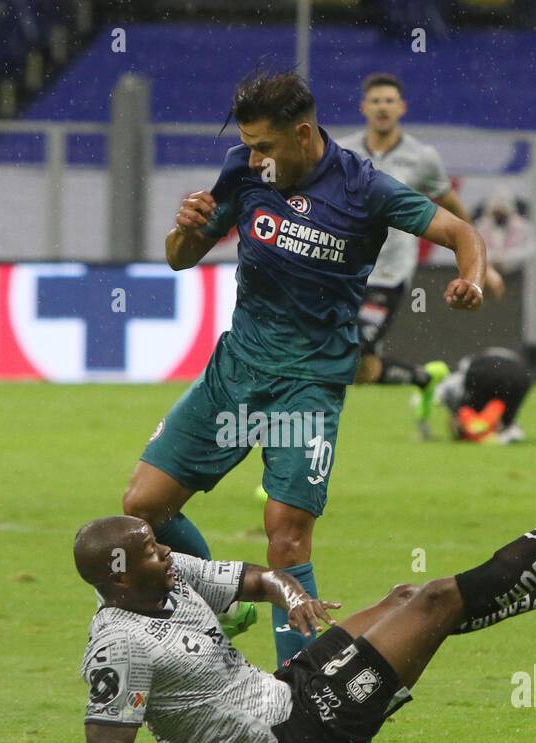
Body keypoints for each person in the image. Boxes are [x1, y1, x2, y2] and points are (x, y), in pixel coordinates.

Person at [123, 68, 502, 667]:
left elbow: (462, 231)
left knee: (286, 532)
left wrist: (471, 280)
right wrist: (186, 227)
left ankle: (297, 694)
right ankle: (225, 600)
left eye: (264, 146)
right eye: (248, 145)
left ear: (303, 135)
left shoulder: (365, 188)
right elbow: (181, 258)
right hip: (236, 369)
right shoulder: (244, 170)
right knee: (144, 506)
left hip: (308, 383)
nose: (254, 157)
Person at [78, 411, 536, 743]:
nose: (167, 553)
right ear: (121, 578)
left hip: (287, 690)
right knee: (434, 602)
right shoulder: (118, 646)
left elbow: (255, 577)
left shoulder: (167, 577)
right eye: (153, 551)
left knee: (408, 597)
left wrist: (288, 592)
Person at [337, 73, 499, 438]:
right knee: (362, 370)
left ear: (402, 108)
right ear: (364, 107)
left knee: (349, 349)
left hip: (389, 273)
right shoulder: (342, 153)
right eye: (375, 100)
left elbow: (451, 206)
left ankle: (300, 450)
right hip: (343, 270)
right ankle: (426, 379)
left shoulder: (422, 158)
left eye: (389, 100)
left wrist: (477, 262)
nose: (382, 107)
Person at [436, 347, 532, 444]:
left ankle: (474, 430)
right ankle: (508, 429)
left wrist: (458, 413)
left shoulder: (466, 372)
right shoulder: (497, 359)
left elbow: (463, 389)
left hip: (485, 371)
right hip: (522, 375)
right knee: (506, 416)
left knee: (472, 410)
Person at [474, 189, 536, 277]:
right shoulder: (482, 226)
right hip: (488, 273)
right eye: (497, 212)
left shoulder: (522, 227)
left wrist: (506, 258)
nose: (500, 215)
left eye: (502, 211)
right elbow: (476, 249)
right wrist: (493, 257)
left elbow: (531, 249)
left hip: (517, 274)